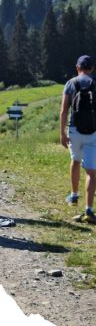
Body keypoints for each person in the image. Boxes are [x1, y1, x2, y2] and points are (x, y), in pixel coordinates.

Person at [59, 55, 96, 223]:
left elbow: (63, 110)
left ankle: (73, 196)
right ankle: (88, 209)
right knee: (91, 171)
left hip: (74, 129)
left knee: (75, 161)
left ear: (77, 67)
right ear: (92, 68)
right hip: (93, 132)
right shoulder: (95, 84)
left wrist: (62, 133)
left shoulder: (70, 83)